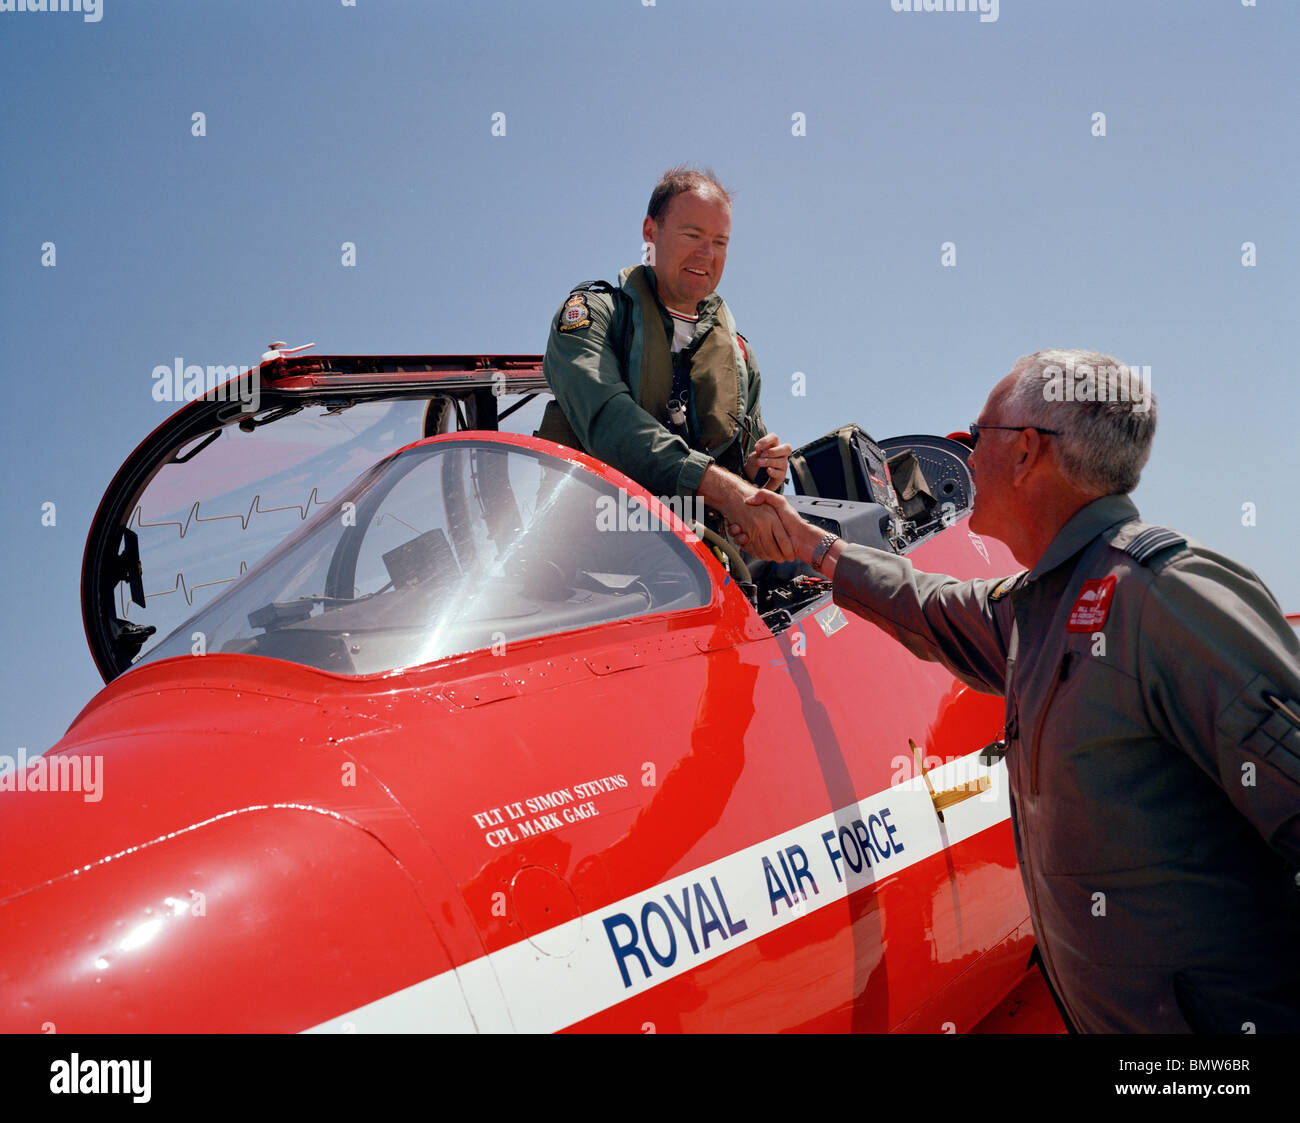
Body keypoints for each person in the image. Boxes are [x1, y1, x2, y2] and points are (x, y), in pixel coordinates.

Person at [743, 349, 1300, 1033]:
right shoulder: (1042, 606)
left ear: (1027, 451)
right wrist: (814, 547)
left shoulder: (1165, 595)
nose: (967, 455)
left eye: (979, 436)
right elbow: (931, 606)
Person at [537, 166, 794, 560]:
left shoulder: (739, 356)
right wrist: (720, 487)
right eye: (692, 235)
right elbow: (607, 419)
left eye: (719, 242)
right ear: (650, 231)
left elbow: (743, 472)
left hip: (702, 570)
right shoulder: (594, 316)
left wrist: (765, 475)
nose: (706, 254)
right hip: (585, 559)